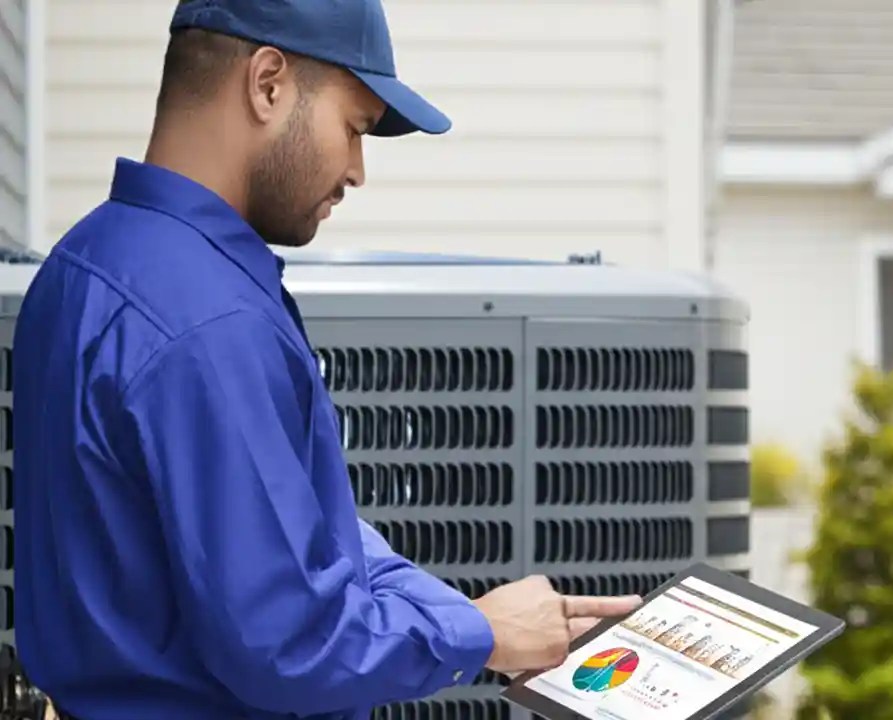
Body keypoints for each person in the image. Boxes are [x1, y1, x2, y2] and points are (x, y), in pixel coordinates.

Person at [10, 1, 640, 718]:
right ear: (268, 84)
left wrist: (476, 616)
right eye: (355, 128)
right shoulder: (210, 320)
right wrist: (482, 634)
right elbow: (288, 641)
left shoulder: (81, 265)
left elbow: (282, 536)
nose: (357, 170)